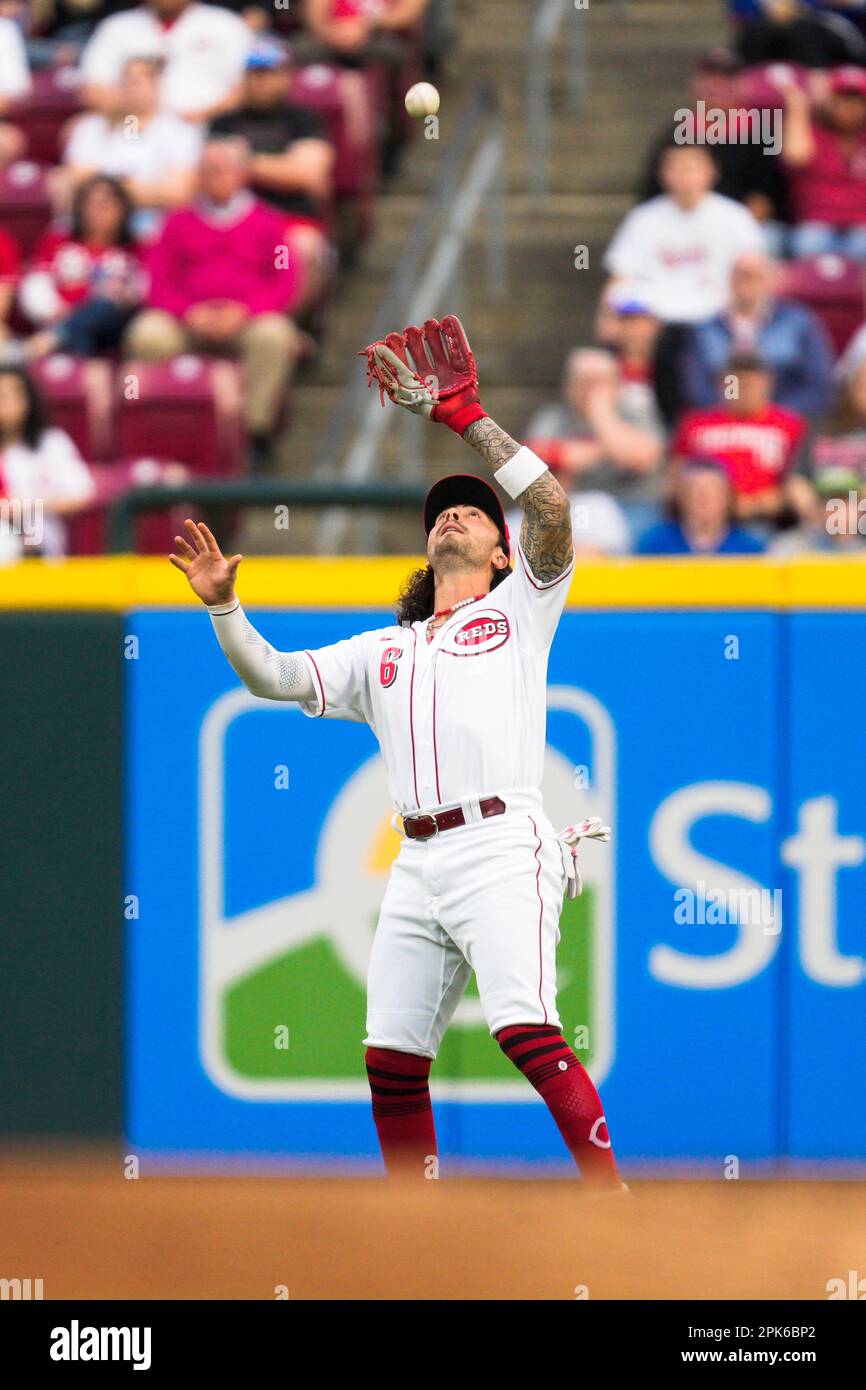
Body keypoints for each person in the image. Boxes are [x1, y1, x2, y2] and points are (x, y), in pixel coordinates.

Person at [169, 314, 625, 1188]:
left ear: (501, 552)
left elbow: (554, 508)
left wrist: (465, 420)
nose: (455, 515)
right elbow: (269, 677)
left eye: (475, 513)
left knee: (524, 1030)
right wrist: (225, 607)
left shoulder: (519, 611)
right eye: (442, 511)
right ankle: (419, 1235)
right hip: (415, 859)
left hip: (501, 842)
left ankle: (620, 1206)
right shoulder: (385, 651)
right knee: (391, 1060)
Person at [125, 137, 305, 460]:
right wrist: (188, 312)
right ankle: (165, 428)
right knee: (148, 334)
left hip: (244, 321)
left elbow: (284, 280)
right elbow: (156, 279)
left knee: (275, 335)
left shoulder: (268, 223)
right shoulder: (176, 223)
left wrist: (246, 312)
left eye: (221, 170)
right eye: (207, 171)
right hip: (189, 321)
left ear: (240, 174)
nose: (213, 178)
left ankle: (254, 432)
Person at [209, 38, 334, 307]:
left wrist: (243, 161)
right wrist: (274, 166)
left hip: (288, 221)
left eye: (267, 74)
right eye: (253, 75)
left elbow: (306, 174)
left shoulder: (303, 120)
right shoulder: (223, 122)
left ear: (286, 77)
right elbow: (210, 176)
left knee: (302, 248)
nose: (259, 82)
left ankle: (283, 328)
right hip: (230, 220)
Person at [639, 48, 790, 251]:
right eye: (711, 78)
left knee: (769, 240)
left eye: (727, 79)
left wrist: (730, 226)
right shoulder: (676, 134)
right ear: (696, 86)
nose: (718, 86)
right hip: (685, 221)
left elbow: (767, 196)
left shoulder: (760, 133)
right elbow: (653, 192)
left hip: (741, 226)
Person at [603, 143, 767, 328]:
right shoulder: (643, 219)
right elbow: (621, 276)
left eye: (691, 168)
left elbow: (754, 270)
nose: (685, 176)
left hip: (717, 320)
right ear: (663, 174)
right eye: (677, 169)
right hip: (654, 320)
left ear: (711, 171)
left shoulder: (736, 217)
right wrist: (607, 319)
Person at [523, 347, 666, 539]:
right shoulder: (553, 417)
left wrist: (600, 413)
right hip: (574, 505)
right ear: (568, 385)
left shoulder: (635, 412)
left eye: (599, 382)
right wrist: (608, 448)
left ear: (617, 384)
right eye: (583, 380)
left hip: (629, 506)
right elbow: (529, 464)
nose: (590, 389)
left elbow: (641, 458)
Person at [683, 251, 834, 420]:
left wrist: (772, 416)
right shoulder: (706, 329)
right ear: (729, 280)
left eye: (754, 276)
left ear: (771, 280)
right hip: (724, 422)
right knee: (732, 376)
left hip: (786, 421)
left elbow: (817, 383)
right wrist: (731, 411)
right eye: (740, 275)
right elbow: (697, 386)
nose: (746, 282)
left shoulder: (798, 323)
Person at [63, 56, 202, 239]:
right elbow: (78, 180)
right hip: (96, 232)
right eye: (126, 80)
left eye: (138, 81)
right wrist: (145, 191)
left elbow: (178, 192)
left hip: (155, 230)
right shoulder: (91, 127)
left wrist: (113, 193)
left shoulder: (180, 130)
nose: (132, 87)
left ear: (157, 84)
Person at [672, 352, 811, 522]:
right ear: (722, 383)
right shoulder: (696, 424)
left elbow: (798, 478)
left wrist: (759, 503)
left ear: (767, 383)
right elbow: (676, 474)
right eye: (736, 382)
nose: (744, 389)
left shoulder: (789, 425)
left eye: (751, 383)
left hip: (764, 517)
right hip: (704, 515)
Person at [19, 174, 145, 360]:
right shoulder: (57, 241)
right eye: (91, 205)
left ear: (123, 210)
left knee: (105, 305)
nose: (98, 212)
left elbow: (143, 288)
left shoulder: (135, 249)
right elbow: (35, 283)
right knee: (81, 337)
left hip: (114, 326)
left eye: (106, 205)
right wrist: (54, 309)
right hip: (60, 318)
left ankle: (52, 339)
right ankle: (81, 377)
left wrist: (125, 294)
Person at [78, 0, 252, 124]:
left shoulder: (227, 24)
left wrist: (195, 118)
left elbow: (243, 90)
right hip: (132, 129)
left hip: (207, 132)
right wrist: (145, 119)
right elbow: (92, 89)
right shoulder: (117, 25)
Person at [0, 365, 94, 561]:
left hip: (39, 545)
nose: (4, 404)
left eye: (9, 395)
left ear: (27, 400)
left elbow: (82, 494)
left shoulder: (51, 443)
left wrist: (24, 505)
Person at [780, 66, 866, 260]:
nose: (850, 107)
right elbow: (795, 156)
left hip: (862, 227)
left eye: (857, 100)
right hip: (817, 225)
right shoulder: (814, 133)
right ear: (829, 101)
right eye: (842, 99)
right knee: (809, 243)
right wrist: (798, 108)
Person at [637, 458, 765, 555]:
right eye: (693, 490)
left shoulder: (750, 548)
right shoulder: (653, 543)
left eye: (713, 490)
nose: (703, 497)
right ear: (680, 496)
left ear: (728, 497)